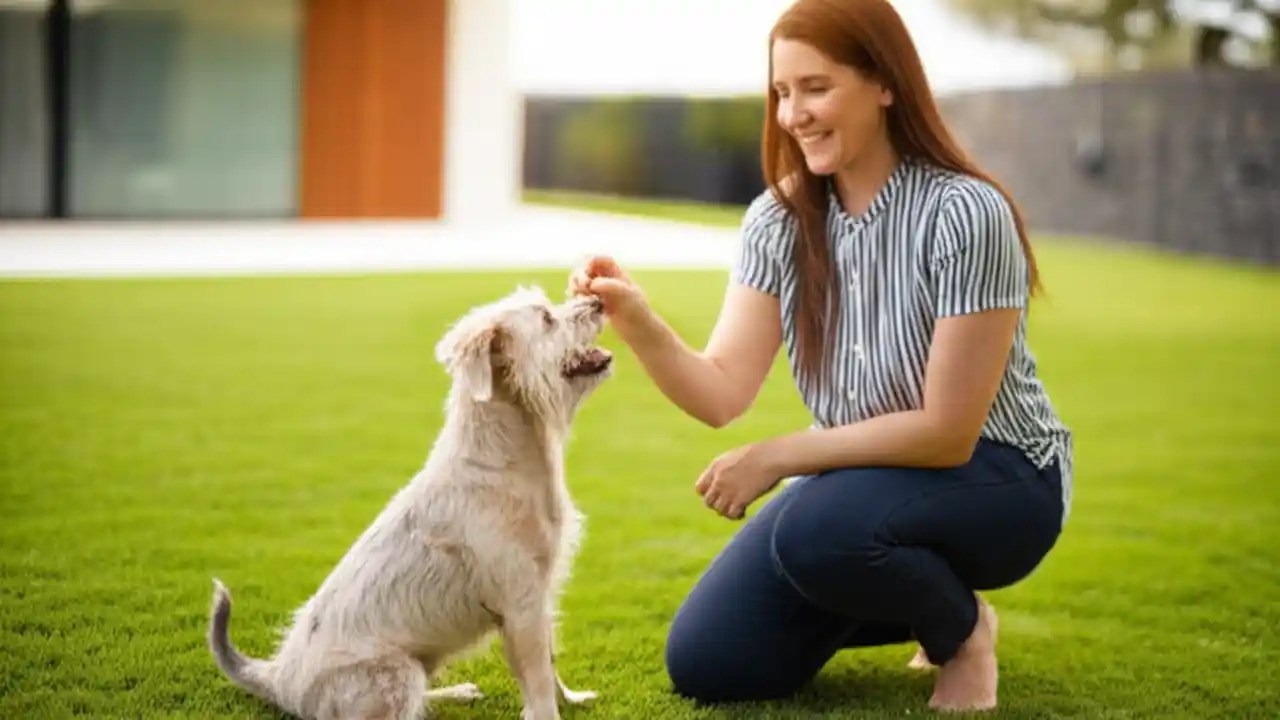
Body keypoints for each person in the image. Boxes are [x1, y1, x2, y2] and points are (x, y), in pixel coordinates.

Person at [568, 0, 1073, 713]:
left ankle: (960, 635)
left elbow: (947, 432)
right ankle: (922, 592)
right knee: (712, 662)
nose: (792, 113)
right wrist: (636, 316)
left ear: (885, 84)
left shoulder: (966, 212)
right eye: (781, 92)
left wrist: (779, 455)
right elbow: (720, 392)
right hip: (861, 488)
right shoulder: (778, 220)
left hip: (998, 478)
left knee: (818, 532)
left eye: (816, 87)